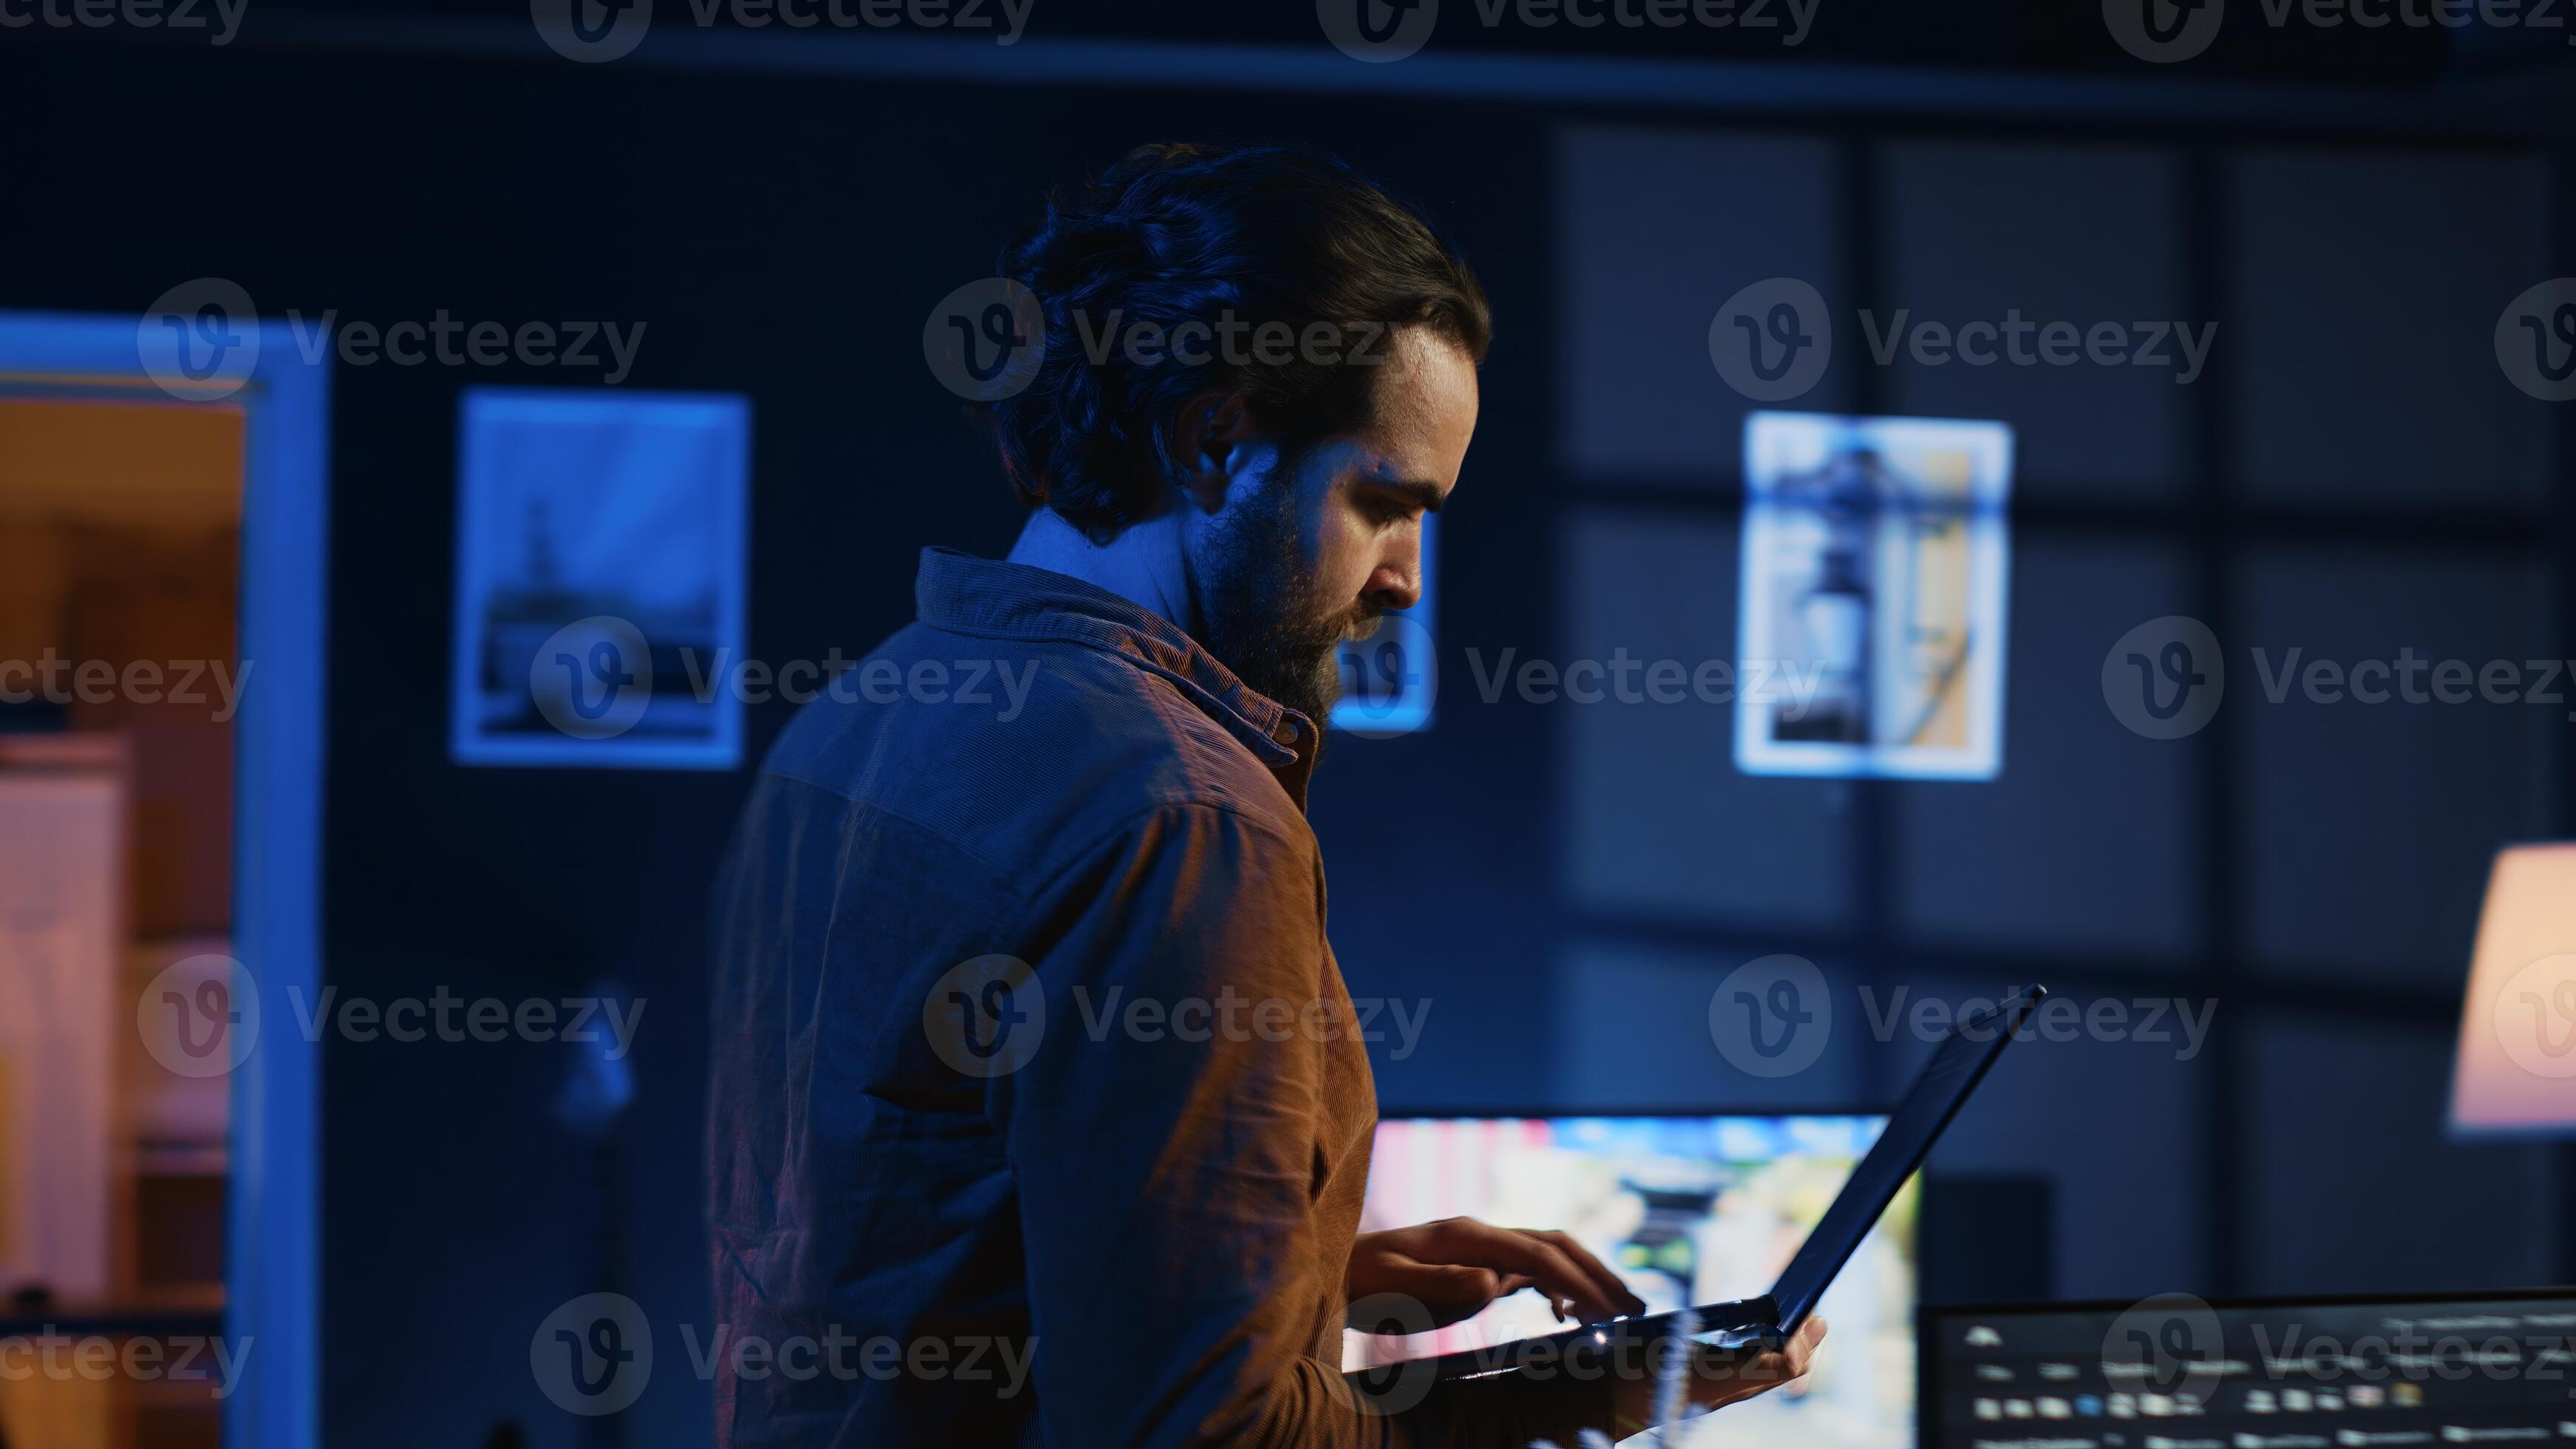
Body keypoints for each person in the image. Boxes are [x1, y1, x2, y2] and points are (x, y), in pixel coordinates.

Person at [704, 140, 1824, 1446]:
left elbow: (905, 1243)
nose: (1405, 577)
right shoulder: (1180, 820)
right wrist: (1589, 1391)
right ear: (1214, 441)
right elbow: (1211, 1439)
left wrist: (1292, 1278)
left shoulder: (860, 716)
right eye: (1382, 502)